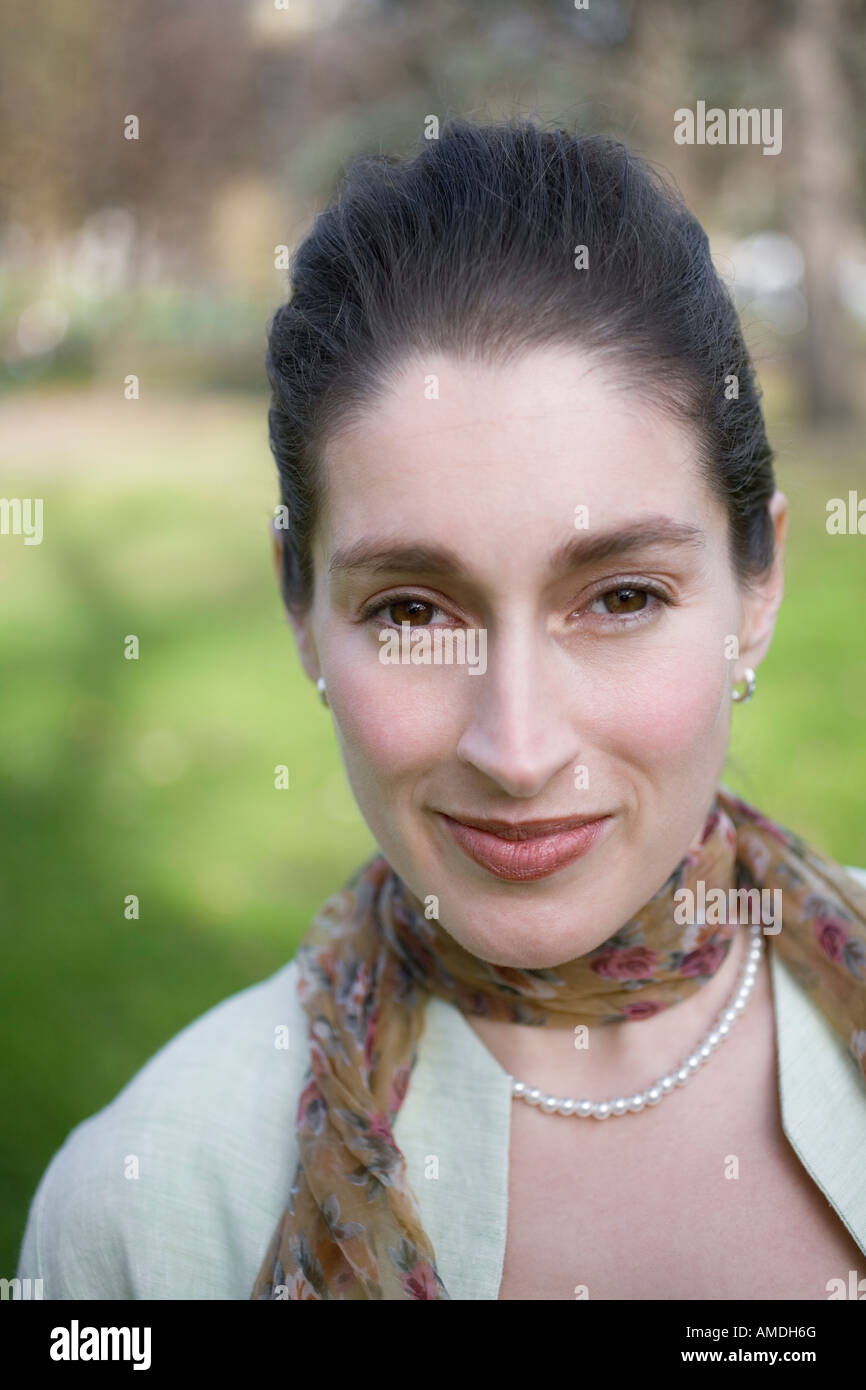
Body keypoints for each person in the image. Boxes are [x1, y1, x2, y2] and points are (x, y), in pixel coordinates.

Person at [17, 117, 866, 1302]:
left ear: (757, 590)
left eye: (619, 595)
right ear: (300, 607)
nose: (515, 752)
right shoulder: (139, 1214)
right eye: (413, 612)